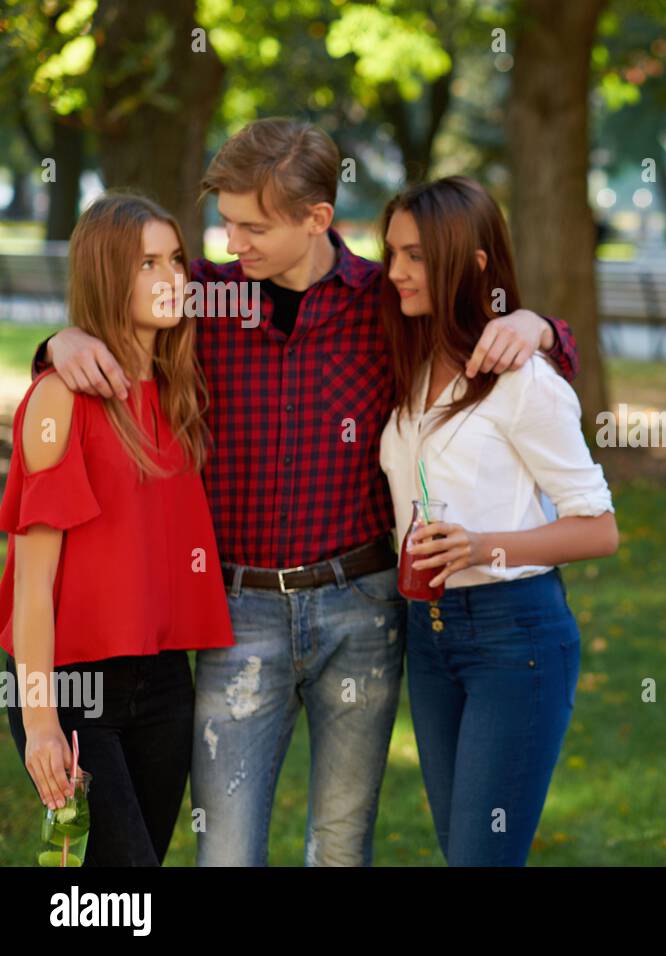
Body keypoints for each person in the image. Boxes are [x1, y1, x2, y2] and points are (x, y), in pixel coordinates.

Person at [32, 118, 581, 866]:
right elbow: (118, 312)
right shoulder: (209, 303)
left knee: (341, 844)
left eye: (251, 227)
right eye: (225, 225)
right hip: (240, 608)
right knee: (224, 850)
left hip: (363, 606)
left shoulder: (383, 303)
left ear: (317, 219)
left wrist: (540, 326)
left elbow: (493, 345)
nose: (231, 245)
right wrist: (58, 343)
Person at [378, 177, 617, 866]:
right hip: (428, 636)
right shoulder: (412, 362)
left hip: (517, 640)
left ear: (474, 263)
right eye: (392, 252)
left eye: (417, 255)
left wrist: (487, 546)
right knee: (466, 855)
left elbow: (598, 527)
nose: (396, 272)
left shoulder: (524, 380)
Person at [2, 192, 235, 865]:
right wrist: (42, 725)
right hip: (73, 687)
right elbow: (32, 586)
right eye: (146, 264)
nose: (171, 280)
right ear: (108, 275)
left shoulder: (178, 389)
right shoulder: (60, 399)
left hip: (163, 681)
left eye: (175, 261)